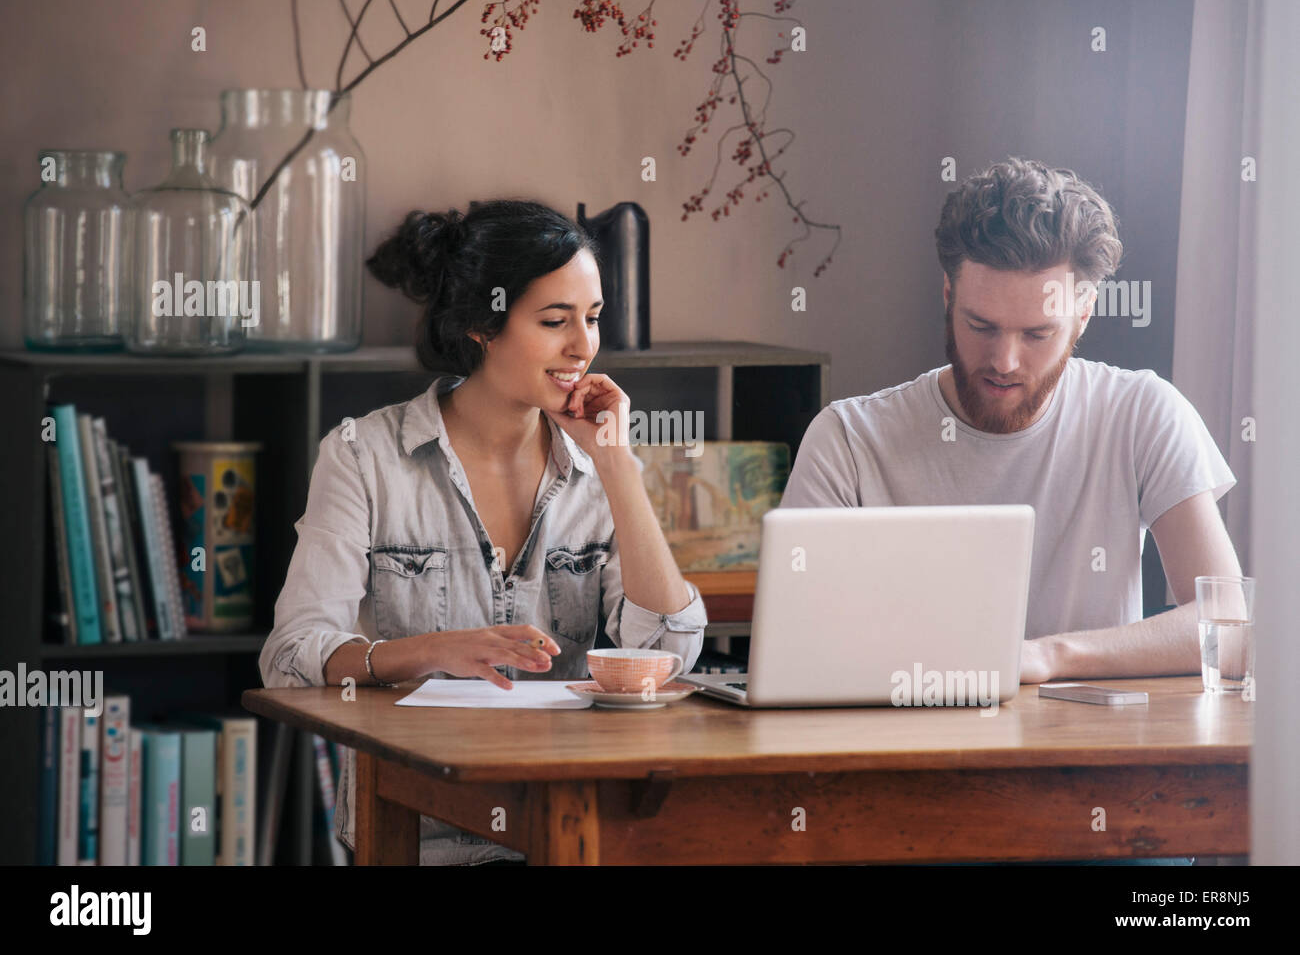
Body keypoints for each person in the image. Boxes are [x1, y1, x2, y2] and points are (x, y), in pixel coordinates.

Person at [259, 199, 707, 865]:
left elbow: (670, 651)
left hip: (566, 826)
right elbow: (291, 655)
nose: (582, 346)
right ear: (480, 325)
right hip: (415, 828)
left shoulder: (596, 466)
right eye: (555, 321)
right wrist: (427, 651)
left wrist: (615, 461)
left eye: (592, 318)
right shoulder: (364, 455)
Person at [781, 157, 1242, 686]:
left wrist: (1048, 657)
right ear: (948, 295)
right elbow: (796, 651)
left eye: (1037, 334)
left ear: (1084, 312)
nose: (1003, 360)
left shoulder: (1142, 413)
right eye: (981, 325)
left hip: (1084, 759)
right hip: (900, 750)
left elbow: (1229, 629)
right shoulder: (847, 440)